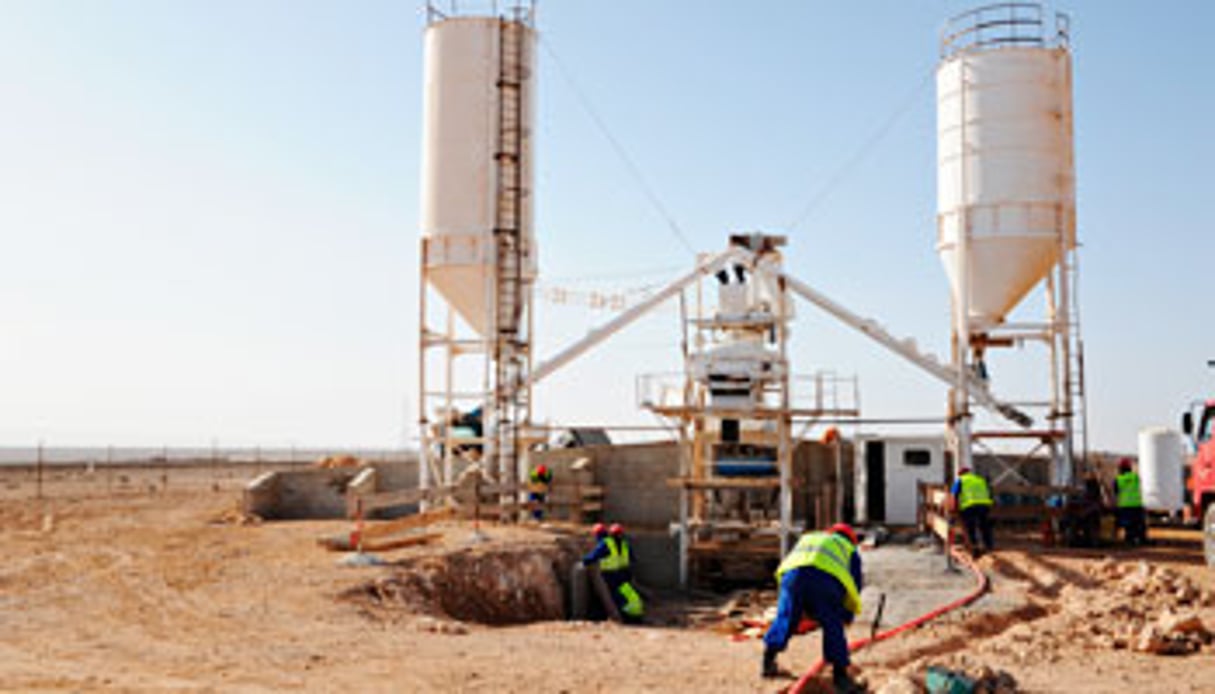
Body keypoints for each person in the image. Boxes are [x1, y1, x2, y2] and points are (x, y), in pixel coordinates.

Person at [762, 523, 863, 693]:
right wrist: (847, 614)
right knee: (832, 624)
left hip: (792, 576)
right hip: (824, 580)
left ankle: (768, 660)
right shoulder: (848, 549)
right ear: (851, 539)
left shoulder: (810, 537)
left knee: (786, 617)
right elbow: (854, 586)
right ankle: (841, 678)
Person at [582, 523, 644, 623]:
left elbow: (593, 556)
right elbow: (632, 559)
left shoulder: (606, 544)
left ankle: (618, 617)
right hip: (624, 575)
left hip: (611, 576)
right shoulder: (624, 544)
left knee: (612, 598)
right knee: (625, 595)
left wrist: (584, 561)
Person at [951, 466, 995, 555]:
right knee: (984, 526)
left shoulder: (961, 480)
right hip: (984, 505)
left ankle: (974, 548)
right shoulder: (980, 479)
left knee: (970, 527)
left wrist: (954, 508)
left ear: (960, 474)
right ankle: (989, 545)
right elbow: (990, 492)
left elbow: (954, 495)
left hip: (969, 506)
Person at [1113, 458, 1148, 546]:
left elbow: (1116, 492)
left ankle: (1129, 540)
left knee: (1128, 525)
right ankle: (1140, 540)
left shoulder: (1118, 479)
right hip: (1137, 505)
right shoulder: (1135, 477)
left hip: (1124, 506)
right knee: (1139, 524)